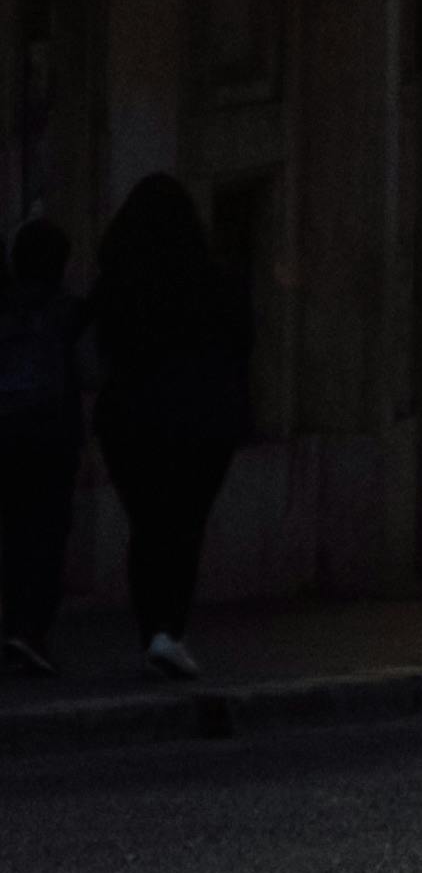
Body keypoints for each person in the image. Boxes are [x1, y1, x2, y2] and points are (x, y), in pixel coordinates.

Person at [90, 174, 249, 680]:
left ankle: (152, 632)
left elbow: (102, 348)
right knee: (184, 526)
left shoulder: (115, 280)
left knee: (148, 526)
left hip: (131, 417)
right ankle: (169, 630)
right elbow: (241, 341)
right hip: (200, 418)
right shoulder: (213, 279)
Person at [0, 220, 90, 674]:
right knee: (47, 534)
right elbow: (90, 371)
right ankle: (30, 630)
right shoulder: (68, 311)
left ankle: (12, 623)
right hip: (53, 438)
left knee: (12, 533)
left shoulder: (5, 307)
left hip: (7, 434)